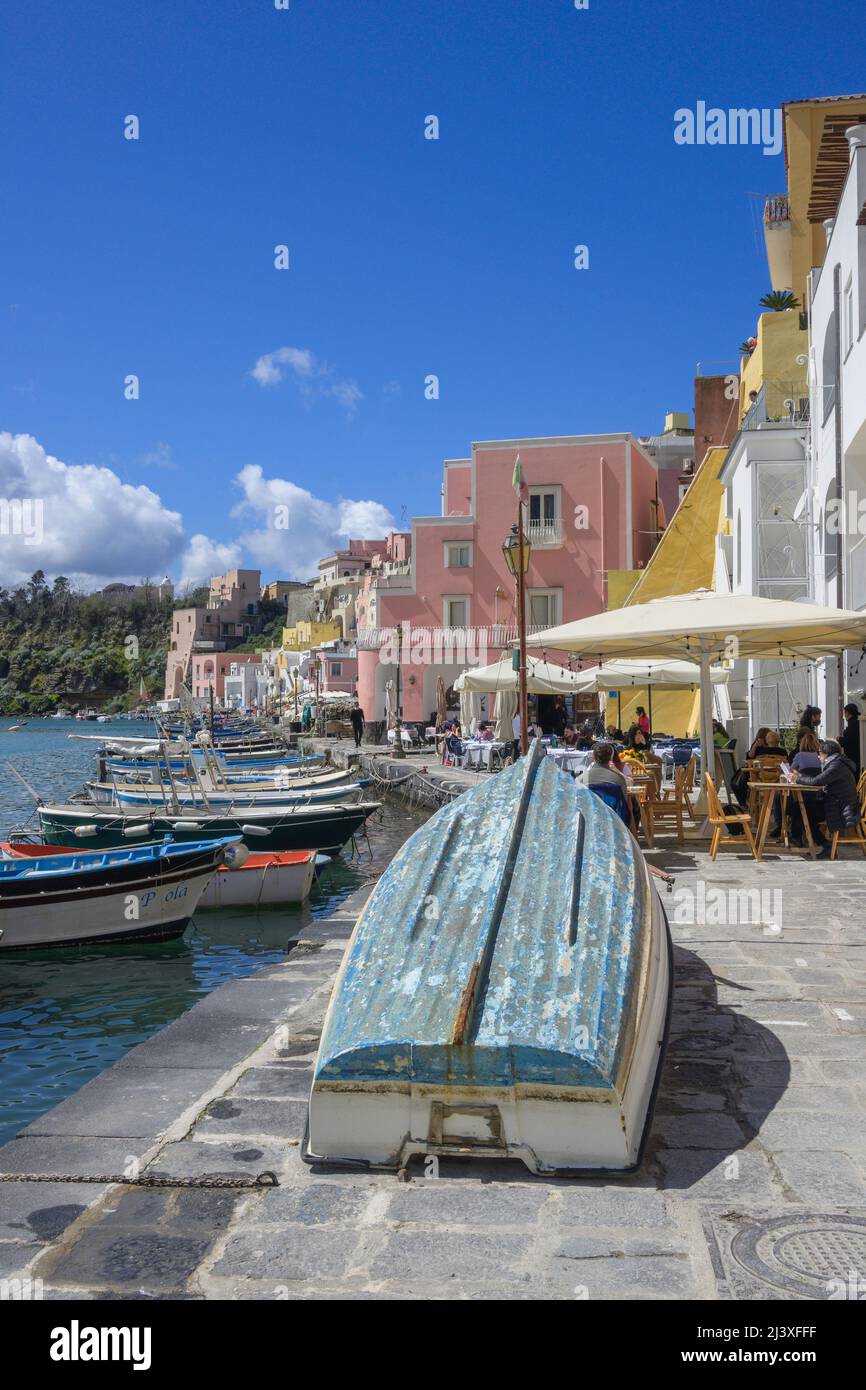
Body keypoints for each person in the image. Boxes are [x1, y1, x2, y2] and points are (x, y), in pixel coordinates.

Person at [789, 738, 860, 858]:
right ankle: (822, 843)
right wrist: (800, 776)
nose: (818, 757)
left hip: (840, 807)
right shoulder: (838, 763)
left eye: (819, 753)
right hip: (838, 802)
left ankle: (823, 844)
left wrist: (797, 779)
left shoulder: (836, 766)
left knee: (801, 810)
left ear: (826, 754)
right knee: (800, 809)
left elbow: (817, 781)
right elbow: (820, 779)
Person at [840, 702, 861, 776]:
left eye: (844, 713)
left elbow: (848, 742)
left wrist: (839, 739)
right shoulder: (857, 723)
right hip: (858, 755)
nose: (844, 715)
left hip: (853, 757)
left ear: (848, 713)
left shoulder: (852, 725)